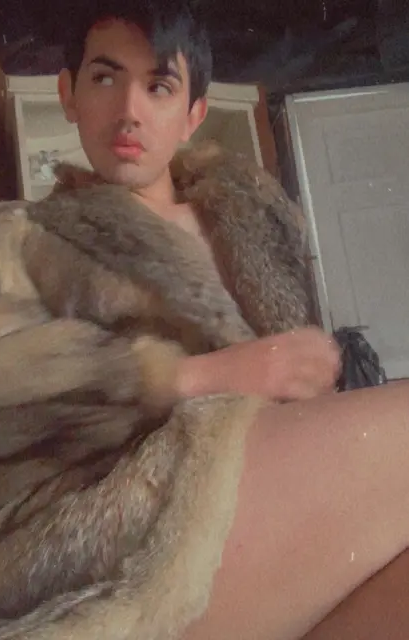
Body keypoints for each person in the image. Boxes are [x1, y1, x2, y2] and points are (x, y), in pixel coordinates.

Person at [56, 2, 409, 638]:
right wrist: (211, 375)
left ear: (193, 113)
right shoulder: (27, 242)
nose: (129, 110)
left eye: (158, 86)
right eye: (105, 78)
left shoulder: (253, 219)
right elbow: (1, 410)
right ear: (68, 94)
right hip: (148, 519)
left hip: (278, 493)